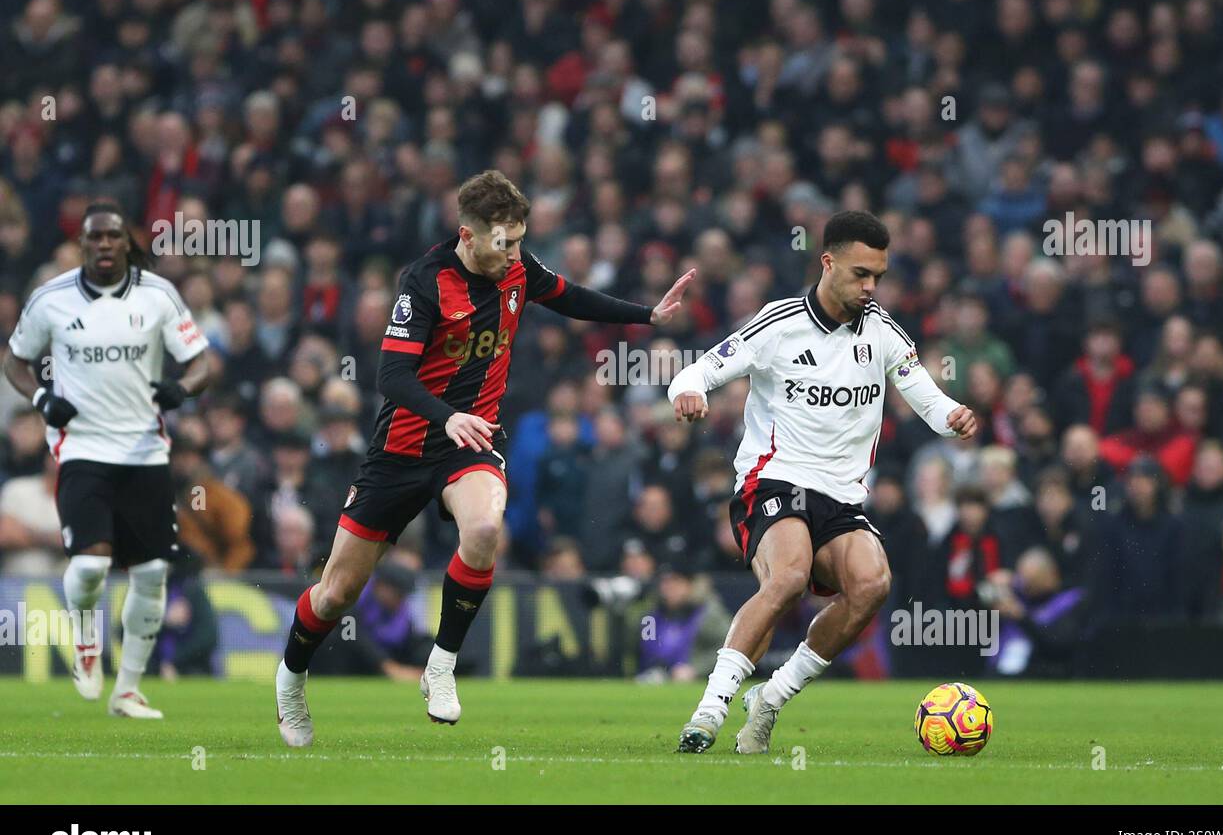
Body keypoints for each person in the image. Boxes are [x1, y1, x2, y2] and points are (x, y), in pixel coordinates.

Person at [274, 170, 694, 746]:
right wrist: (446, 413)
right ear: (467, 235)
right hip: (401, 449)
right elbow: (389, 375)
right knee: (336, 592)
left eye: (520, 240)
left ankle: (441, 665)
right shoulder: (423, 281)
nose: (516, 254)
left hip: (469, 443)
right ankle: (291, 680)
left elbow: (569, 295)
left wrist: (648, 315)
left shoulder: (516, 267)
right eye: (505, 243)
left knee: (483, 527)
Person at [666, 210, 977, 753]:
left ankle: (770, 699)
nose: (870, 287)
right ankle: (709, 709)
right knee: (788, 578)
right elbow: (699, 371)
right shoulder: (778, 323)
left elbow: (929, 402)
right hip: (773, 482)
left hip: (841, 497)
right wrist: (686, 392)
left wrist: (955, 417)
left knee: (873, 584)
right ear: (827, 262)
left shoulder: (883, 333)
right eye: (861, 273)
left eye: (878, 275)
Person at [2, 201, 211, 718]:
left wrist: (180, 390)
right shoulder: (51, 298)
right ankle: (86, 644)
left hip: (144, 449)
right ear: (82, 245)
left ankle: (128, 689)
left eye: (112, 237)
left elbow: (201, 361)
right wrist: (42, 400)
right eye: (93, 238)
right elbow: (15, 359)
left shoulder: (157, 295)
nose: (102, 246)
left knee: (152, 573)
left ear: (125, 241)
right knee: (91, 563)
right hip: (82, 447)